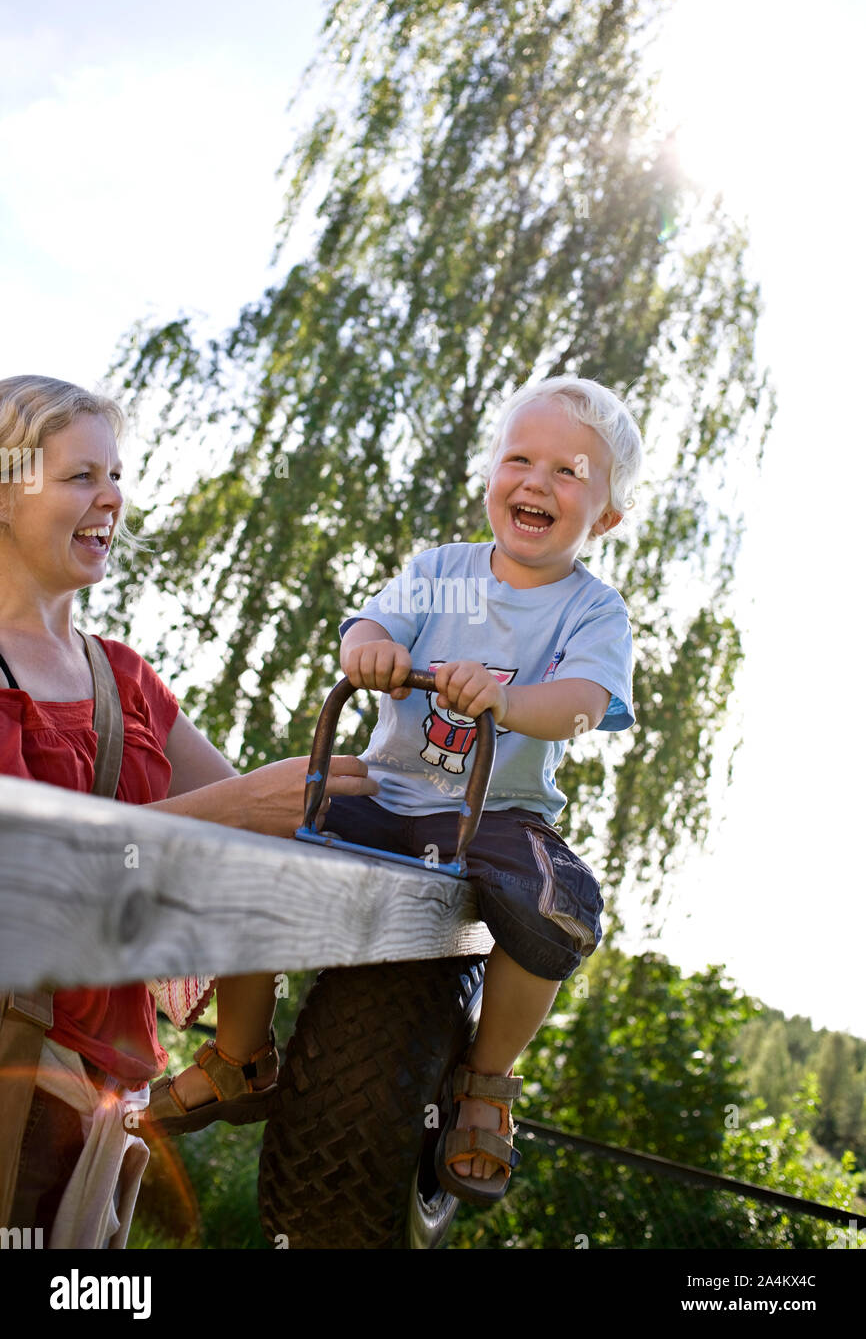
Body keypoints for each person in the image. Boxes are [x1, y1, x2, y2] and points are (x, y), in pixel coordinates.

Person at [0, 374, 377, 1243]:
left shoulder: (122, 678)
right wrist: (245, 804)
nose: (113, 498)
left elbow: (256, 825)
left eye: (117, 475)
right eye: (81, 476)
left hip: (100, 1107)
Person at [327, 374, 644, 1203]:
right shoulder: (441, 571)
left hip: (498, 812)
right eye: (520, 459)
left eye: (569, 472)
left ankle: (486, 1083)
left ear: (605, 517)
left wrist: (508, 698)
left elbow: (583, 705)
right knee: (266, 833)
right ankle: (241, 1049)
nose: (537, 481)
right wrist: (366, 649)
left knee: (559, 905)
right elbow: (368, 626)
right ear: (492, 477)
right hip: (391, 790)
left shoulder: (593, 611)